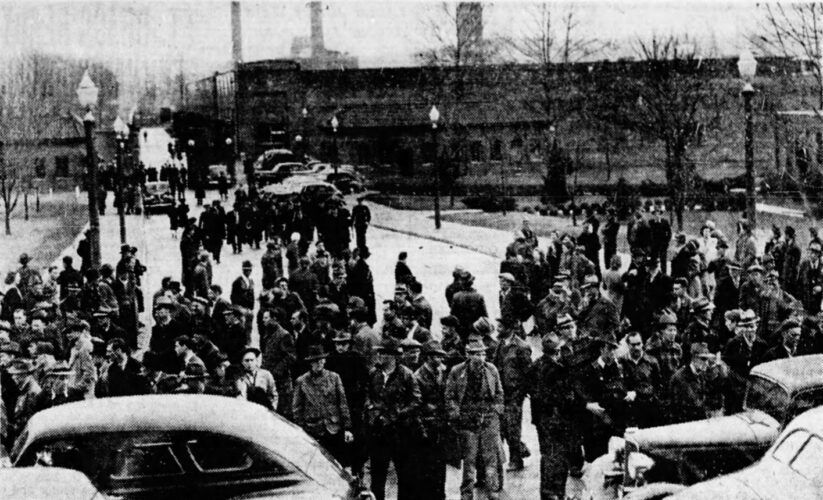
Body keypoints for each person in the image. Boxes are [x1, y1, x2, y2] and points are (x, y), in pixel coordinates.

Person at [445, 340, 505, 500]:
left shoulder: (491, 370)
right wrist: (455, 414)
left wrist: (497, 409)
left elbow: (499, 392)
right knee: (469, 460)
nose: (481, 357)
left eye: (483, 354)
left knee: (491, 458)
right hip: (468, 420)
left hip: (489, 418)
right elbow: (450, 395)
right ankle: (467, 492)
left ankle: (493, 489)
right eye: (477, 354)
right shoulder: (457, 371)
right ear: (468, 355)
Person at [365, 338, 421, 500]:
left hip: (400, 432)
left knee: (404, 475)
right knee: (377, 476)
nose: (379, 356)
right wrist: (371, 409)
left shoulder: (406, 375)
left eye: (383, 353)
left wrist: (398, 414)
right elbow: (367, 395)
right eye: (379, 353)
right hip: (378, 432)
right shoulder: (374, 374)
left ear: (393, 356)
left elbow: (416, 400)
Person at [529, 333, 579, 500]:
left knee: (548, 456)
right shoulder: (558, 369)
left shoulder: (536, 366)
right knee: (559, 457)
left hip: (542, 419)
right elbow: (561, 396)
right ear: (557, 351)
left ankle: (549, 493)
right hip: (557, 419)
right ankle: (557, 493)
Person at [292, 345, 353, 466]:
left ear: (325, 360)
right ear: (310, 363)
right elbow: (297, 409)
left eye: (321, 360)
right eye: (315, 361)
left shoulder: (334, 377)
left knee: (336, 464)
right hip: (313, 430)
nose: (319, 363)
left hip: (333, 428)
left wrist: (347, 428)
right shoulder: (302, 381)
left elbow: (343, 403)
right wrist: (303, 429)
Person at [493, 314, 532, 471]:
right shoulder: (500, 344)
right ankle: (520, 449)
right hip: (501, 393)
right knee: (503, 426)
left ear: (509, 328)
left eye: (500, 327)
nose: (497, 329)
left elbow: (528, 373)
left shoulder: (522, 347)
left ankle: (516, 460)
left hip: (515, 394)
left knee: (513, 427)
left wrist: (521, 393)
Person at [413, 340, 448, 500]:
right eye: (437, 356)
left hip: (440, 426)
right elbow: (417, 406)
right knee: (426, 467)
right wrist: (422, 430)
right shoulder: (418, 377)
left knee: (440, 466)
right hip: (426, 427)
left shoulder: (441, 373)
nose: (440, 359)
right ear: (428, 357)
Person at [668, 342, 714, 423]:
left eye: (707, 360)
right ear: (694, 358)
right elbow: (683, 407)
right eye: (703, 359)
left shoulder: (700, 375)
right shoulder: (680, 378)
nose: (706, 363)